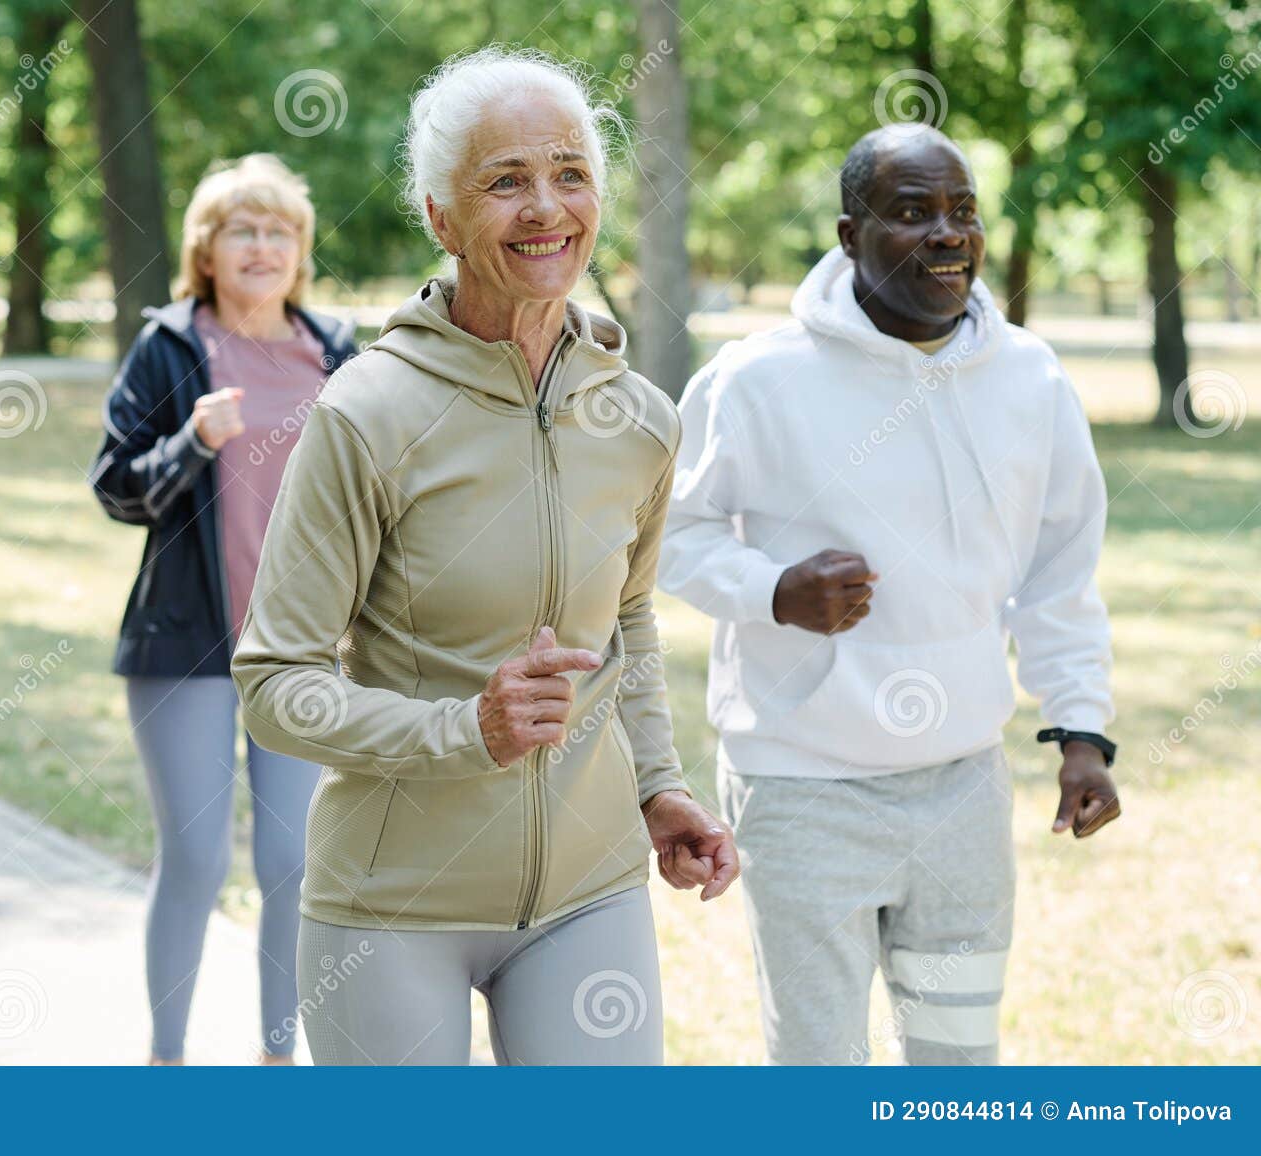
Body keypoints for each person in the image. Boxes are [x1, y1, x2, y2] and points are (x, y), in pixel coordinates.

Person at [231, 47, 737, 1067]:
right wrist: (467, 729)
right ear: (439, 216)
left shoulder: (638, 419)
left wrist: (656, 787)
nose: (545, 206)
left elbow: (624, 623)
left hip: (587, 895)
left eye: (569, 174)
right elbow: (274, 683)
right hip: (391, 902)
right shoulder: (367, 413)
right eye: (505, 181)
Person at [659, 124, 1122, 1065]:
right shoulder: (755, 380)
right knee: (820, 1071)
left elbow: (1061, 567)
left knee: (956, 1064)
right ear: (848, 236)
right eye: (913, 213)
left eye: (963, 213)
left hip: (962, 784)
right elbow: (665, 533)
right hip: (801, 783)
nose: (949, 234)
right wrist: (773, 590)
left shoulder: (1029, 378)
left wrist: (1081, 731)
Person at [89, 154, 358, 1065]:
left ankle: (278, 1061)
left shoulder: (336, 352)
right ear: (206, 250)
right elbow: (116, 488)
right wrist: (192, 442)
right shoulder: (168, 347)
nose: (263, 245)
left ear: (301, 251)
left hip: (304, 652)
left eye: (280, 230)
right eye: (243, 228)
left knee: (293, 868)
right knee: (196, 861)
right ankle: (167, 1062)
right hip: (186, 648)